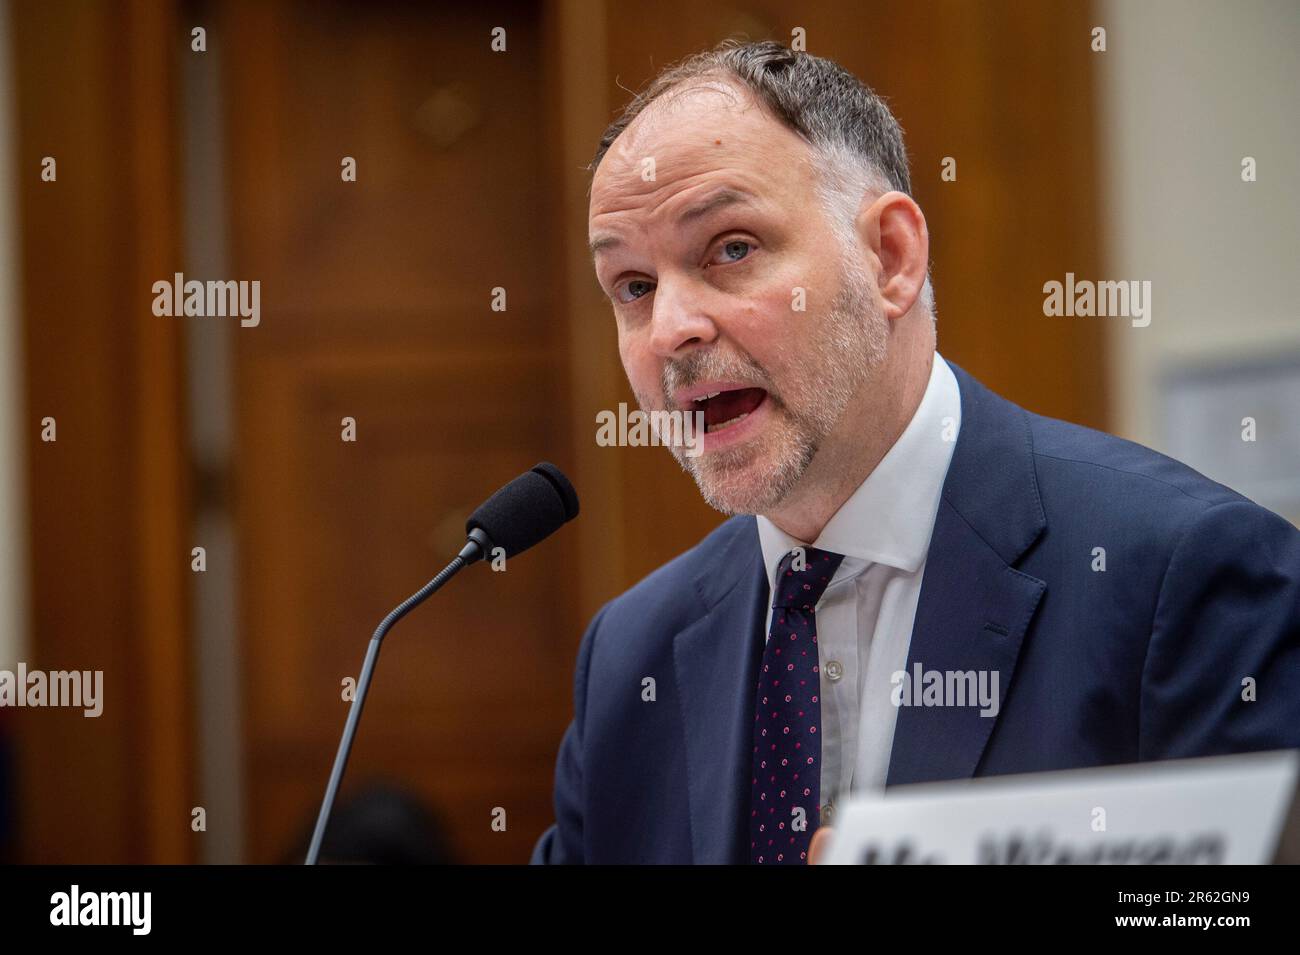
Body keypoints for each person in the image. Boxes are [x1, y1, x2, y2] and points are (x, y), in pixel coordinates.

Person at [531, 40, 1300, 864]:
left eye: (731, 248)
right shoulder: (630, 654)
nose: (672, 329)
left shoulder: (1181, 572)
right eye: (634, 288)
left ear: (890, 257)